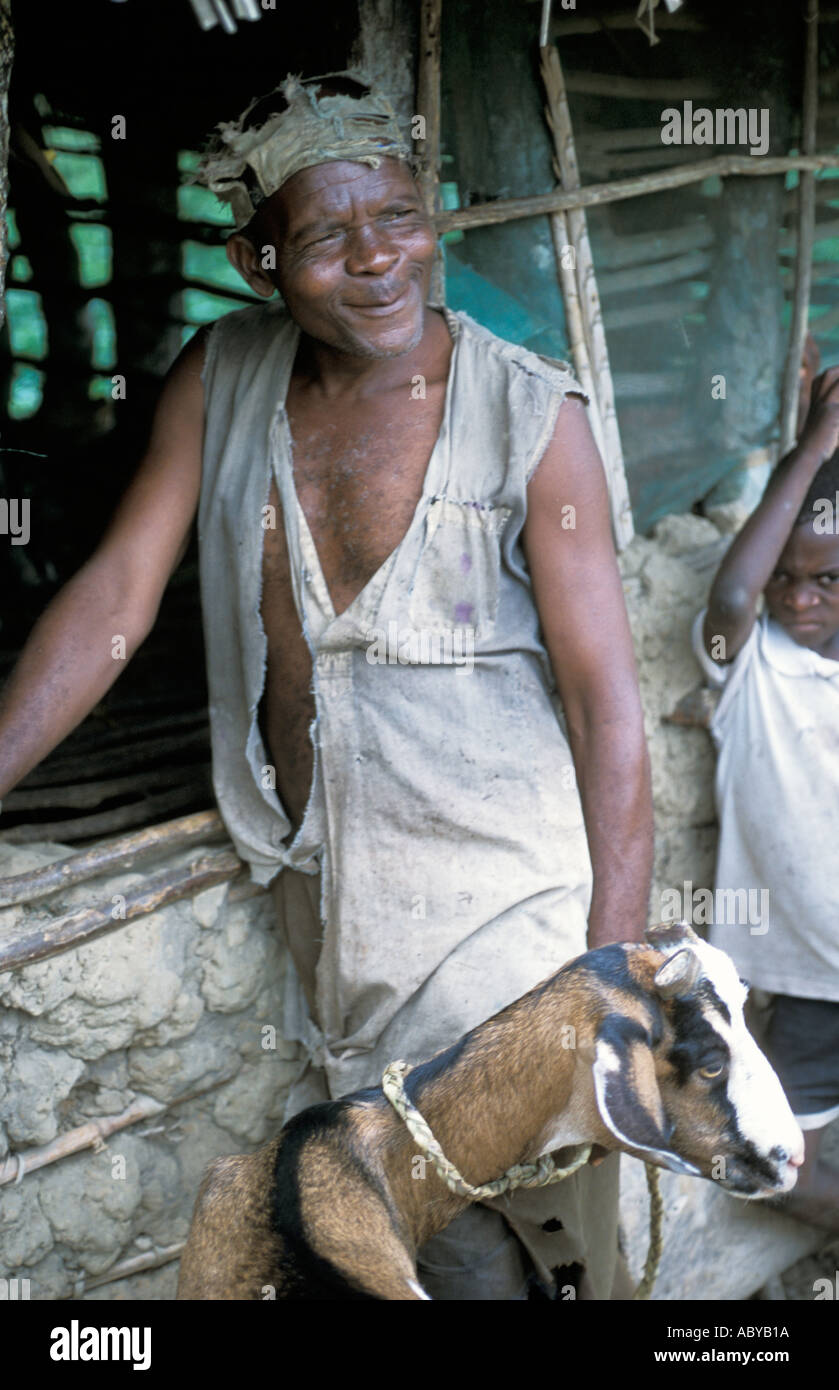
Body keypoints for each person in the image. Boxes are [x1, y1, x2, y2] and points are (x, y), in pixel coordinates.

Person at [0, 73, 653, 1297]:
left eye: (399, 217)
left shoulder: (527, 416)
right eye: (325, 237)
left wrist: (605, 972)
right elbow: (112, 600)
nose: (379, 260)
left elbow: (608, 701)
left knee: (506, 1250)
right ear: (258, 261)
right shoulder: (227, 378)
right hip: (329, 906)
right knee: (386, 1242)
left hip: (503, 916)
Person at [694, 361, 839, 1234]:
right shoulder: (747, 663)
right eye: (787, 575)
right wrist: (814, 444)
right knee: (780, 1165)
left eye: (826, 580)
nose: (798, 597)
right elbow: (734, 594)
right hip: (813, 985)